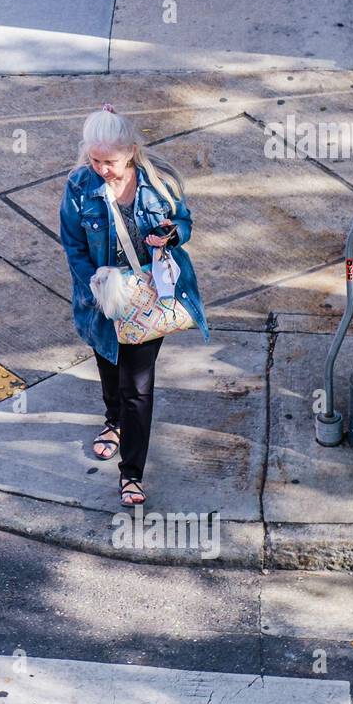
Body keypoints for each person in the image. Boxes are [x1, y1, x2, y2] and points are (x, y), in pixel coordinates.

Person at [59, 104, 209, 506]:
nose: (101, 169)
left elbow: (185, 221)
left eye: (109, 161)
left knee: (138, 386)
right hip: (101, 298)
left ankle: (132, 475)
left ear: (130, 152)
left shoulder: (159, 183)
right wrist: (97, 285)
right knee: (109, 363)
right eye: (94, 160)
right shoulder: (78, 186)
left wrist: (172, 235)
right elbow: (73, 244)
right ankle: (113, 422)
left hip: (148, 296)